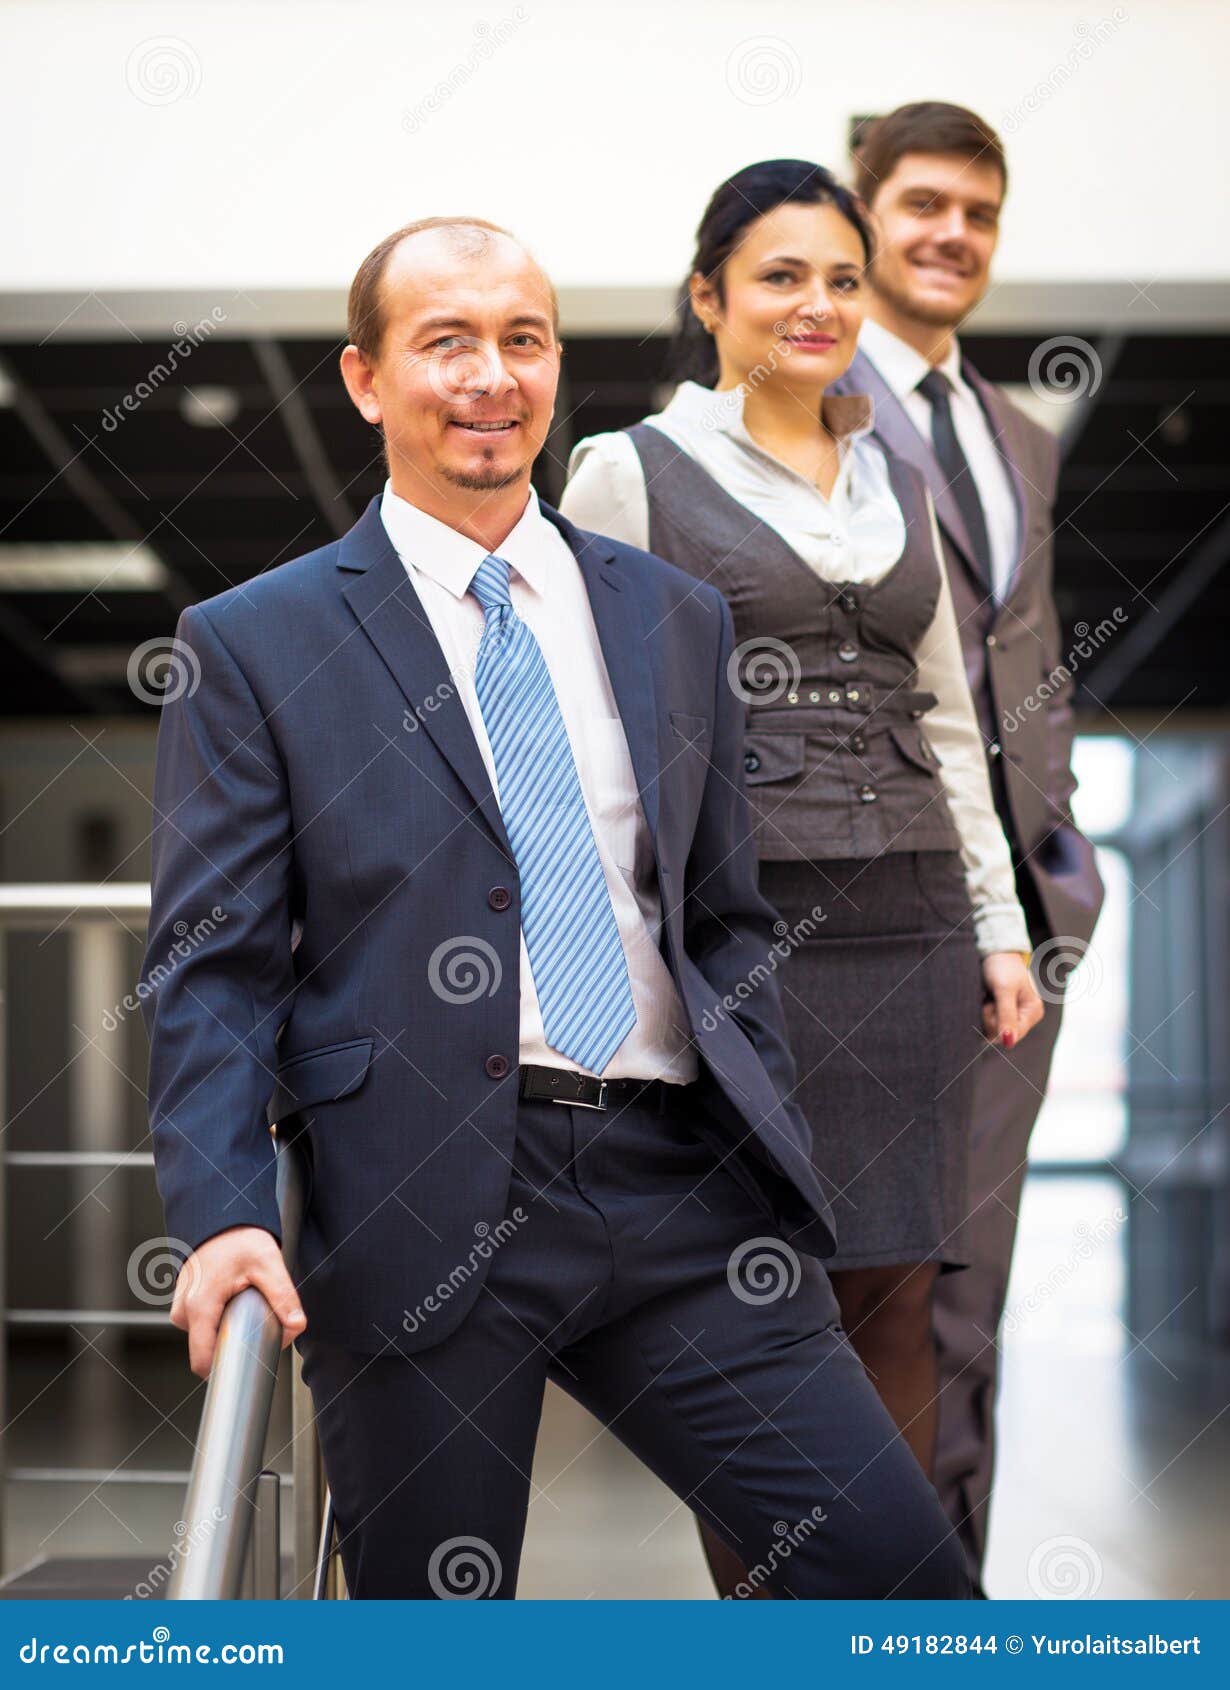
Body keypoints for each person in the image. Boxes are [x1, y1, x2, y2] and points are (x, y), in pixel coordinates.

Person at [139, 215, 969, 1600]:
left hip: (682, 1191)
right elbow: (212, 965)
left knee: (901, 1586)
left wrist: (754, 1101)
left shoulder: (669, 614)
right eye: (445, 341)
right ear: (364, 379)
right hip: (414, 1191)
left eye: (521, 340)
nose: (490, 376)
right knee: (438, 1631)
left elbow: (720, 913)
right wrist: (223, 1205)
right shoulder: (256, 642)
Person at [560, 159, 1043, 1598]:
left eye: (840, 277)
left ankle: (877, 1631)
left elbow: (951, 720)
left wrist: (998, 933)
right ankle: (775, 1635)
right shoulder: (625, 468)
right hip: (743, 938)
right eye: (781, 276)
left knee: (898, 1297)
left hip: (906, 927)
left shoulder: (895, 477)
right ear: (708, 296)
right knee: (760, 1309)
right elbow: (589, 736)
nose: (817, 305)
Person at [836, 102, 1105, 1594]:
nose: (950, 235)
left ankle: (950, 1608)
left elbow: (1025, 653)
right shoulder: (800, 404)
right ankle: (839, 1613)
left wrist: (1059, 856)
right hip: (865, 923)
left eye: (978, 214)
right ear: (864, 213)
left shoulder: (1020, 433)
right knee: (852, 1299)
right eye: (923, 203)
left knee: (967, 1297)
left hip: (1023, 931)